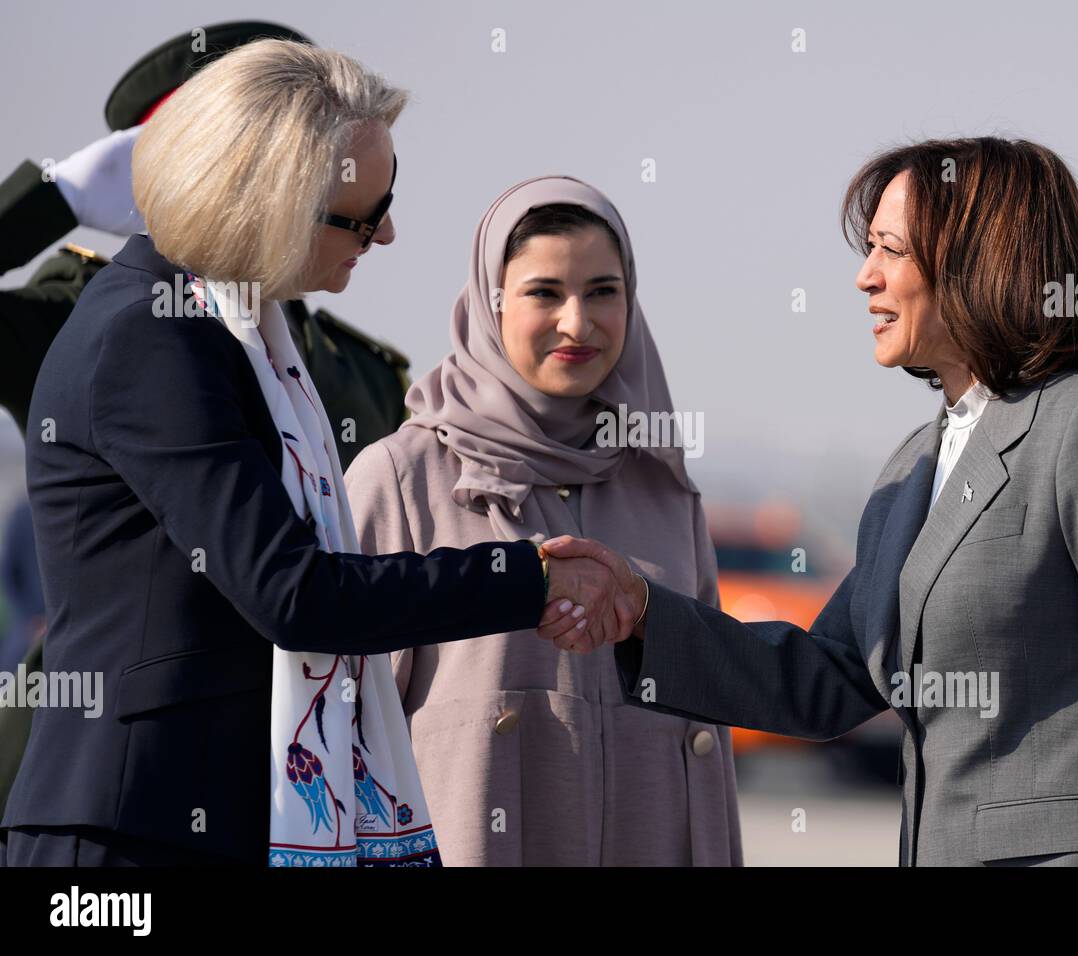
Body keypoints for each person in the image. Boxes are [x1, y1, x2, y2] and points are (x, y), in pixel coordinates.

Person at [0, 40, 624, 868]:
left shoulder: (247, 338)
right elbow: (295, 592)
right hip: (131, 829)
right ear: (268, 201)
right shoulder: (151, 338)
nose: (389, 233)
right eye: (362, 216)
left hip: (211, 814)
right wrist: (528, 576)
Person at [539, 137, 1078, 867]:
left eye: (890, 250)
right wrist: (643, 610)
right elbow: (828, 678)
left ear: (977, 258)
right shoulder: (914, 464)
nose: (865, 278)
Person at [0, 21, 415, 820]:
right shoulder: (112, 316)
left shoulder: (348, 365)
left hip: (287, 785)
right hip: (126, 782)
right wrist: (51, 199)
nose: (380, 232)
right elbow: (293, 589)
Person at [345, 178, 743, 865]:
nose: (577, 323)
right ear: (488, 301)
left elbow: (707, 721)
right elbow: (341, 726)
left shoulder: (666, 491)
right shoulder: (402, 480)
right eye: (543, 293)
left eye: (602, 291)